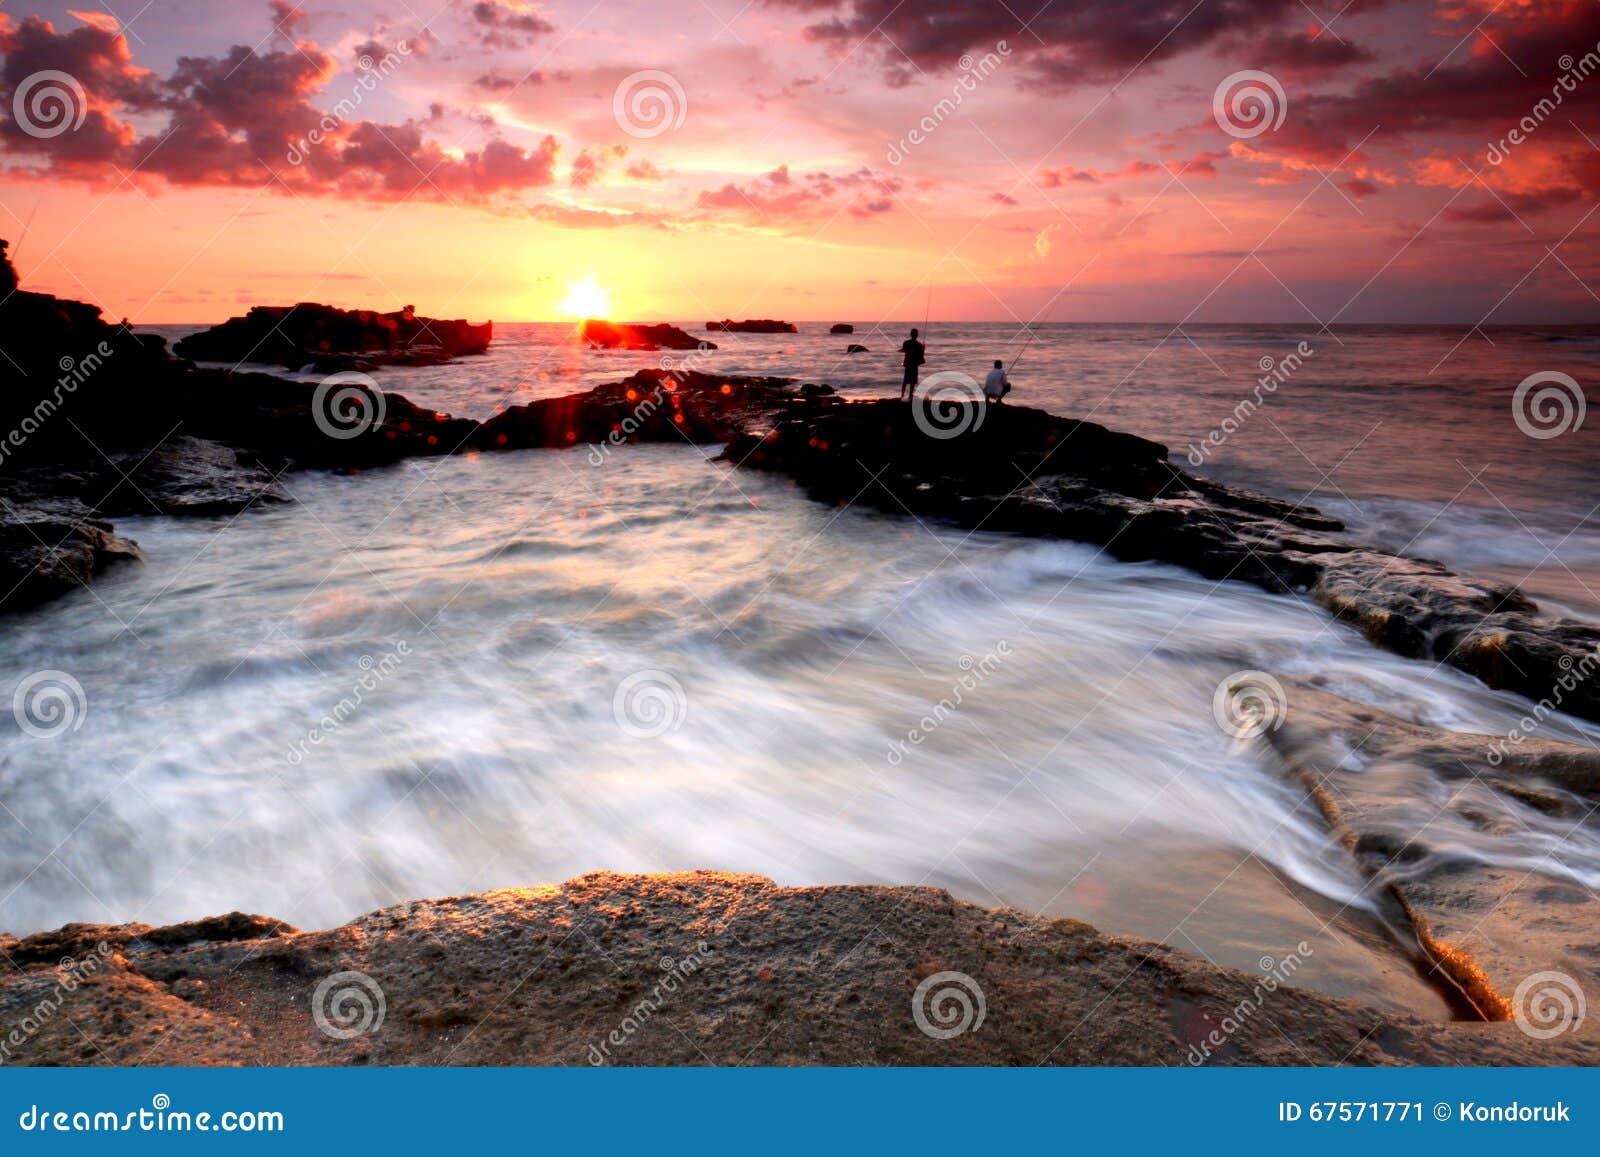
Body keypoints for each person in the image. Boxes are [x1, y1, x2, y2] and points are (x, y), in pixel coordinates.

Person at [900, 328, 926, 400]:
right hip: (914, 365)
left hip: (908, 364)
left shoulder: (906, 343)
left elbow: (904, 350)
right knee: (912, 382)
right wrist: (923, 349)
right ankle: (910, 397)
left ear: (910, 334)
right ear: (917, 335)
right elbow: (921, 355)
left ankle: (902, 395)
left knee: (905, 380)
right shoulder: (919, 345)